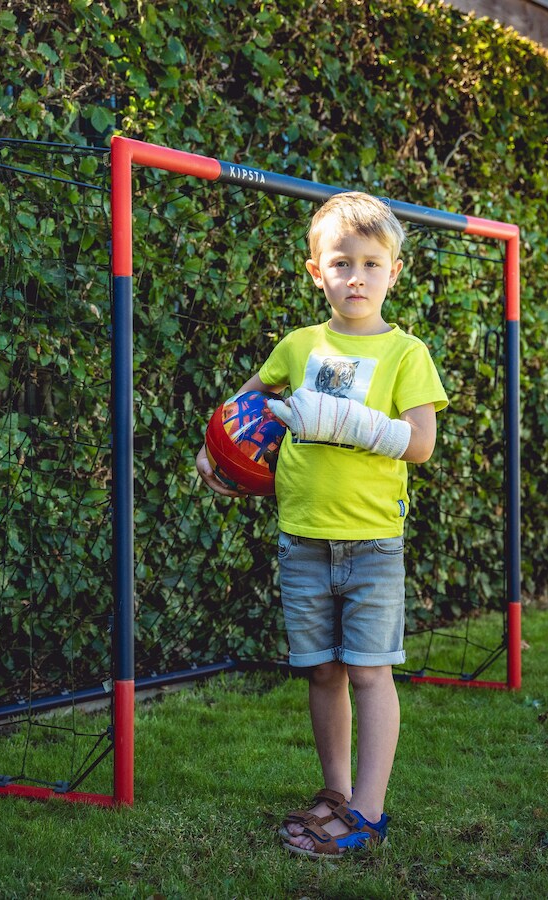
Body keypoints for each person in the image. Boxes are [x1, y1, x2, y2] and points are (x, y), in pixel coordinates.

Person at [196, 191, 448, 858]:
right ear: (316, 272)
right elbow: (243, 406)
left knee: (369, 672)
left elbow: (419, 444)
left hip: (370, 543)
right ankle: (334, 793)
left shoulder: (406, 354)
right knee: (322, 672)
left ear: (393, 272)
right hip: (300, 537)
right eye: (341, 263)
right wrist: (214, 453)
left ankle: (368, 811)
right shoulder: (298, 345)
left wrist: (347, 423)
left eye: (371, 263)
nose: (356, 277)